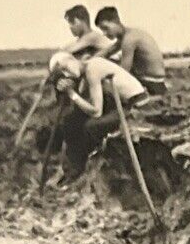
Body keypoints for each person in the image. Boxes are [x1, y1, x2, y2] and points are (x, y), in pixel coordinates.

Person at [45, 50, 147, 182]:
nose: (66, 73)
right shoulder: (84, 72)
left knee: (92, 126)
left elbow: (96, 111)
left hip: (135, 105)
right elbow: (81, 105)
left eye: (65, 67)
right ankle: (73, 170)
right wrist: (66, 88)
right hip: (119, 103)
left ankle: (94, 162)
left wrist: (71, 93)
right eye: (62, 74)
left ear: (72, 59)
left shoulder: (92, 69)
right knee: (71, 121)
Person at [93, 7, 169, 96]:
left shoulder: (129, 40)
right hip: (156, 81)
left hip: (152, 84)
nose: (104, 33)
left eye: (106, 28)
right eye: (102, 30)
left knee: (104, 83)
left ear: (116, 21)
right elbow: (108, 51)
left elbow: (124, 71)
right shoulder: (129, 34)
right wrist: (92, 60)